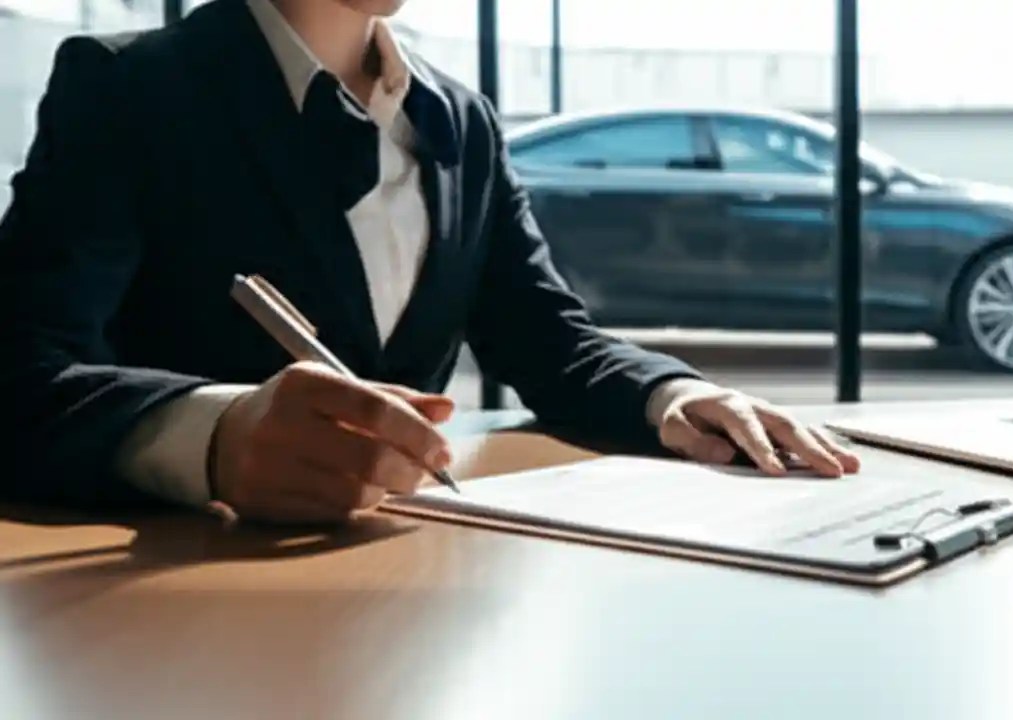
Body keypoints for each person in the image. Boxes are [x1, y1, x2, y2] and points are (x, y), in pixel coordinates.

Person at [0, 0, 859, 524]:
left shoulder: (462, 120)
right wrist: (212, 437)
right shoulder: (132, 86)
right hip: (172, 616)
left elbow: (548, 340)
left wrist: (676, 393)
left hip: (422, 584)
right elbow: (20, 372)